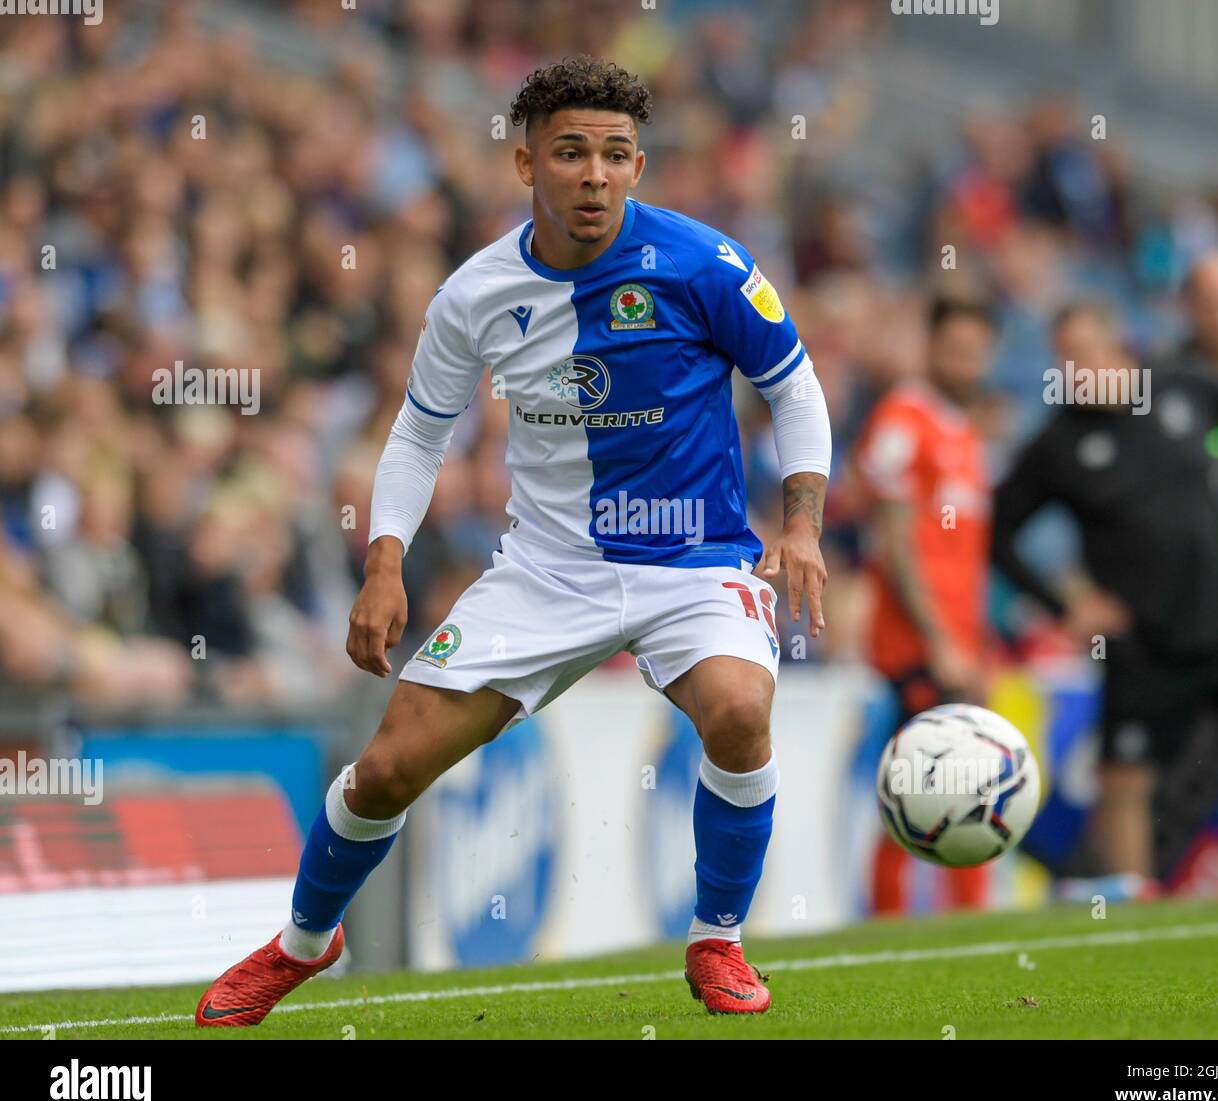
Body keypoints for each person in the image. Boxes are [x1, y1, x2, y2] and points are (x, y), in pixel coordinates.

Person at [195, 56, 832, 1025]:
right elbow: (418, 431)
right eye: (571, 152)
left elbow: (792, 383)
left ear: (638, 165)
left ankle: (717, 938)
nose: (595, 175)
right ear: (524, 162)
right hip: (546, 572)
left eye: (616, 155)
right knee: (387, 769)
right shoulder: (473, 295)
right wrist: (384, 562)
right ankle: (302, 944)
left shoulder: (707, 264)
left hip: (694, 563)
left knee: (741, 709)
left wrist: (802, 525)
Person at [993, 301, 1218, 880]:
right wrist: (1067, 607)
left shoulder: (1186, 388)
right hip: (1144, 644)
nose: (1073, 370)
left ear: (1119, 347)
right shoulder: (1058, 446)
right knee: (1123, 781)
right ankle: (1130, 910)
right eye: (1063, 359)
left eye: (1084, 354)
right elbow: (997, 532)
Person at [854, 295, 998, 913]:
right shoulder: (904, 419)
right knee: (922, 785)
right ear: (931, 347)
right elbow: (896, 540)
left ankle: (961, 913)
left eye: (975, 349)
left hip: (960, 639)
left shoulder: (965, 430)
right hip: (916, 642)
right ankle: (901, 913)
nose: (964, 360)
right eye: (954, 347)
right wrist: (938, 638)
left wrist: (971, 639)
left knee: (959, 781)